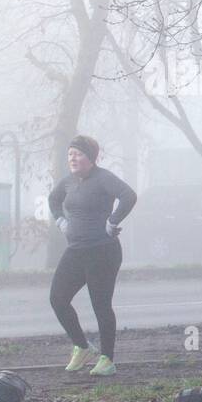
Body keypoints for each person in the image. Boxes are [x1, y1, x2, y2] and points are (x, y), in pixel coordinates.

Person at [47, 135, 137, 376]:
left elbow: (129, 195)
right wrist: (60, 219)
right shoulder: (68, 182)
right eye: (70, 154)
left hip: (102, 252)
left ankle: (107, 359)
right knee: (57, 298)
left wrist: (112, 220)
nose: (73, 158)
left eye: (78, 154)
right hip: (76, 251)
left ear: (91, 157)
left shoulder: (103, 178)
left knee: (101, 305)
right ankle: (82, 346)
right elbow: (53, 199)